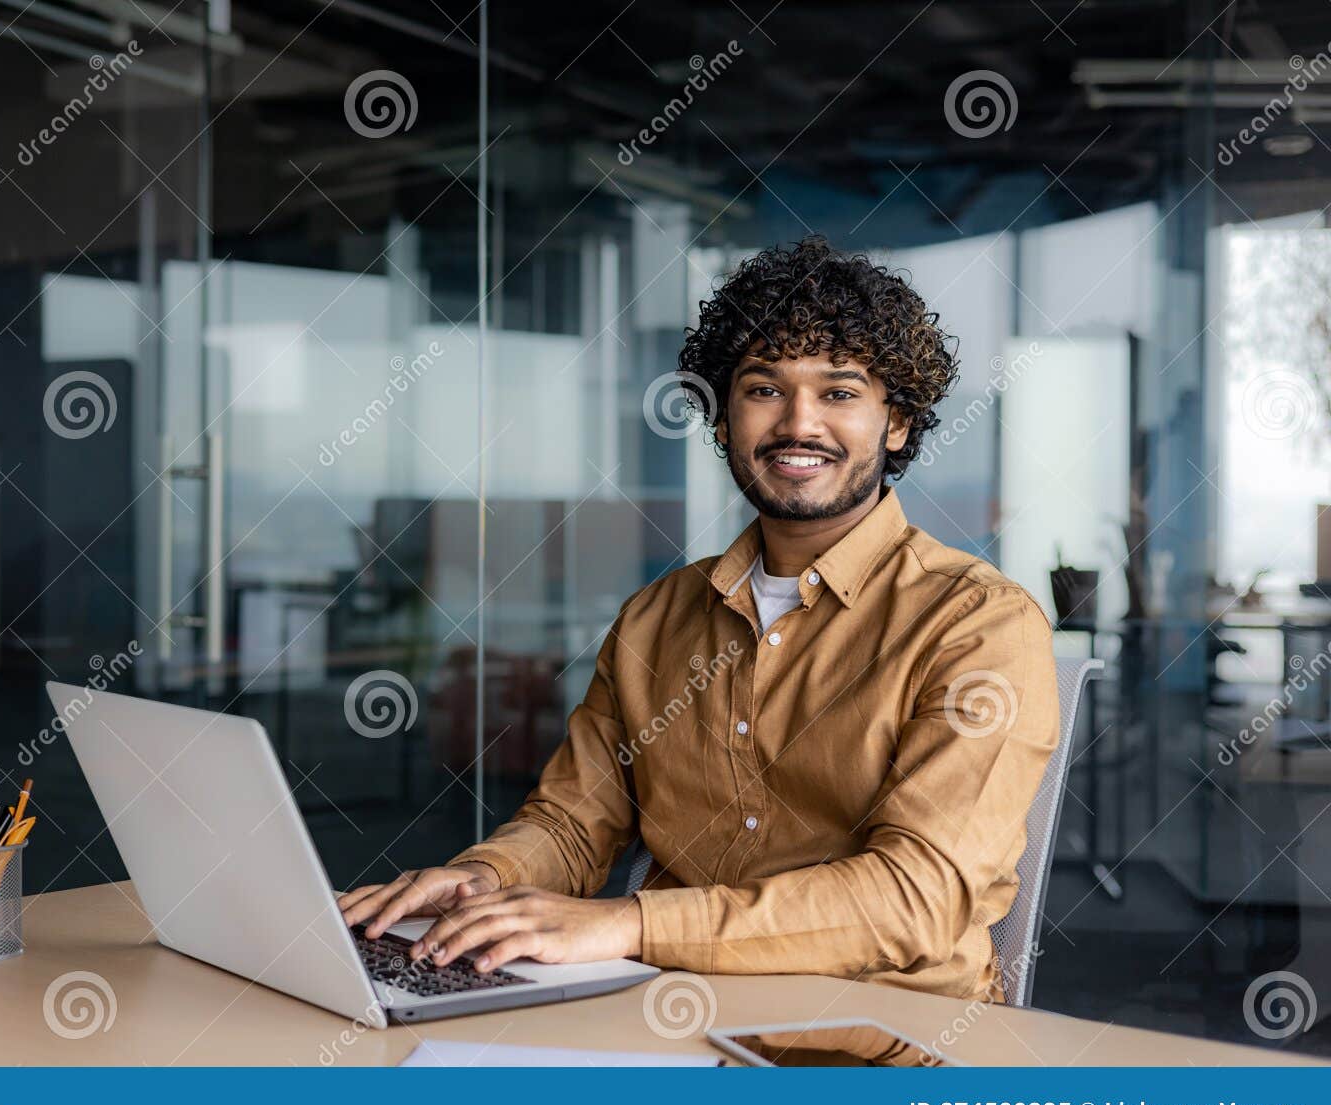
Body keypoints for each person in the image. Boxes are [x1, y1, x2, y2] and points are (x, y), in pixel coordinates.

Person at [339, 235, 1060, 1003]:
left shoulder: (978, 624)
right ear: (722, 422)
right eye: (763, 388)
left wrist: (630, 924)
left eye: (840, 392)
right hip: (668, 1010)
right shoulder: (657, 616)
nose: (798, 422)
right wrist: (484, 879)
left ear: (897, 424)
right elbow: (575, 820)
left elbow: (914, 897)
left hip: (875, 1038)